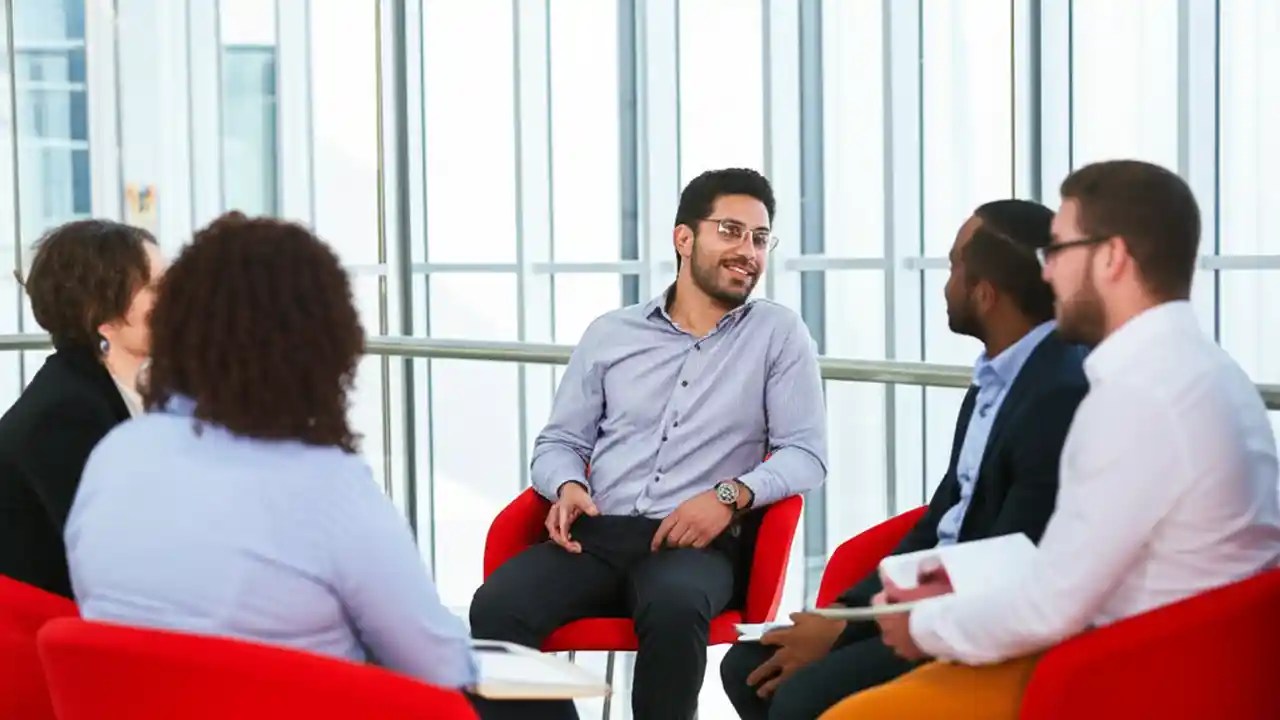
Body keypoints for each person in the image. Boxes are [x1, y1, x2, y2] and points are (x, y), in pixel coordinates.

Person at [63, 214, 568, 720]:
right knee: (536, 703)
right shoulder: (326, 485)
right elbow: (438, 664)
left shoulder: (115, 456)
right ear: (322, 348)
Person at [824, 160, 1280, 719]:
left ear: (1111, 258)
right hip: (1184, 664)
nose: (1045, 275)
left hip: (1121, 677)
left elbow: (1050, 606)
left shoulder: (1136, 398)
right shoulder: (1207, 371)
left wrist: (921, 626)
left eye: (1058, 251)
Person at [469, 168, 828, 720]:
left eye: (759, 238)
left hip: (695, 544)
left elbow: (806, 454)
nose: (748, 251)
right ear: (684, 238)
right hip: (597, 535)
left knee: (674, 608)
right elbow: (560, 440)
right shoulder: (612, 334)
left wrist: (728, 496)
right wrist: (567, 485)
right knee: (496, 610)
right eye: (730, 231)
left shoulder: (778, 334)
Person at [719, 200, 1088, 719]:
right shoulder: (997, 378)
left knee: (801, 695)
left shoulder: (1057, 395)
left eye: (954, 267)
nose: (945, 285)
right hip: (933, 598)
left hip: (980, 622)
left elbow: (1005, 559)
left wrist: (847, 629)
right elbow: (941, 522)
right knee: (748, 667)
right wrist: (841, 614)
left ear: (986, 293)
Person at [0, 220, 163, 597]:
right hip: (45, 619)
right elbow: (114, 554)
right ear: (102, 315)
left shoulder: (112, 389)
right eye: (157, 287)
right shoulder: (63, 413)